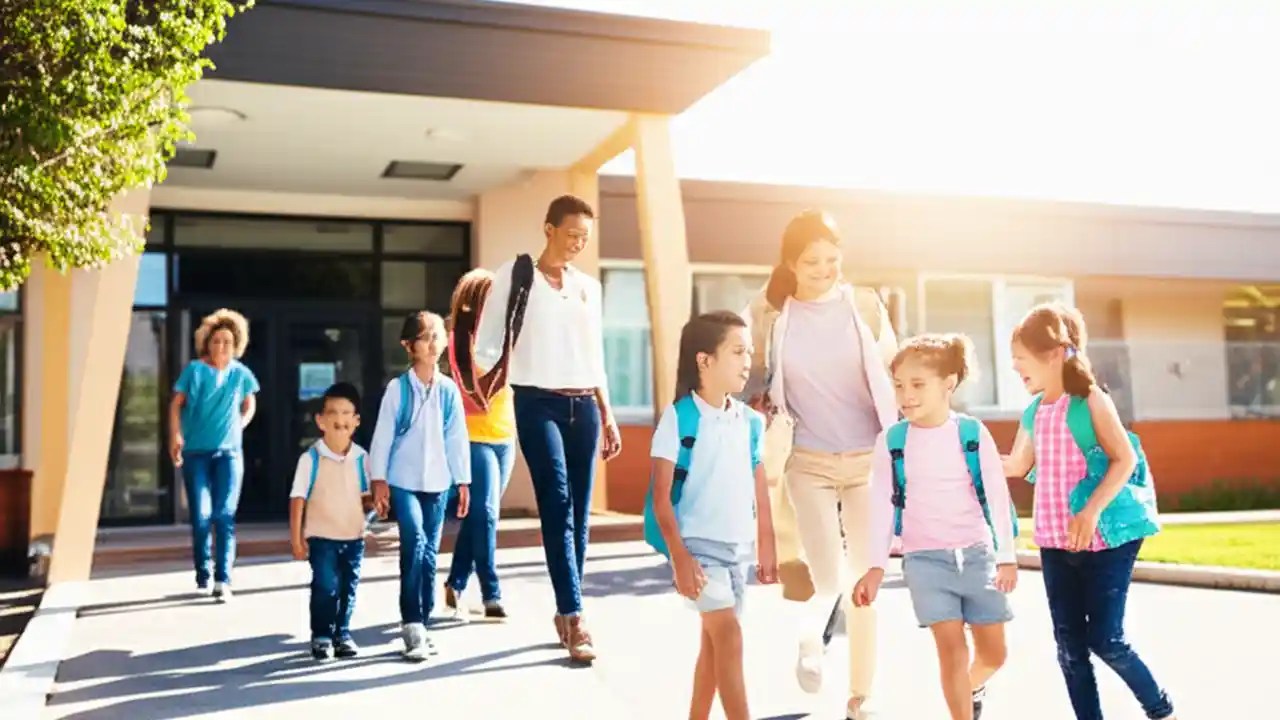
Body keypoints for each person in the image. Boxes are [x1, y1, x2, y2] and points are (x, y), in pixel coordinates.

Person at [741, 209, 898, 718]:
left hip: (866, 461)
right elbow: (747, 380)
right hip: (806, 460)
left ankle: (861, 696)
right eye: (812, 261)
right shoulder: (766, 313)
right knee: (826, 577)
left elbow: (897, 378)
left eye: (832, 259)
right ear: (791, 261)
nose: (825, 269)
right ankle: (811, 643)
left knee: (864, 583)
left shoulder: (866, 307)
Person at [1004, 304, 1174, 720]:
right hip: (1054, 540)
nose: (1015, 370)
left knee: (1105, 637)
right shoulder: (1033, 411)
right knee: (1069, 648)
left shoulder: (1090, 401)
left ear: (1051, 354)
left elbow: (1123, 460)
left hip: (1107, 538)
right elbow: (1016, 465)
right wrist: (961, 449)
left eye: (1021, 361)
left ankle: (1159, 707)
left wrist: (1091, 510)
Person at [472, 194, 622, 663]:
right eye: (572, 233)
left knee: (579, 513)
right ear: (549, 228)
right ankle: (574, 614)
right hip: (537, 403)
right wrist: (485, 385)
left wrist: (609, 412)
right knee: (556, 503)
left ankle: (566, 608)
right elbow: (485, 344)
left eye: (585, 237)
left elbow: (594, 356)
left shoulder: (587, 288)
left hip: (586, 406)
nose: (578, 243)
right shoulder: (514, 276)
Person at [853, 335, 1017, 720]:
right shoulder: (891, 441)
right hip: (925, 561)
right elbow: (880, 504)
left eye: (917, 385)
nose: (905, 395)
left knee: (995, 654)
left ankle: (972, 686)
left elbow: (996, 495)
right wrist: (876, 566)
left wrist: (1006, 558)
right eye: (898, 386)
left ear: (948, 384)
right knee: (952, 650)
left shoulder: (972, 434)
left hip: (977, 556)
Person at [650, 311, 778, 720]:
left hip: (738, 549)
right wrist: (679, 556)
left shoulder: (750, 422)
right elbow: (659, 498)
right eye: (738, 351)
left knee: (713, 645)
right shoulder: (680, 417)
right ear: (704, 361)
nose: (748, 361)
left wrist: (767, 543)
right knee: (729, 636)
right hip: (699, 548)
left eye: (750, 352)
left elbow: (759, 485)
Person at [368, 312, 471, 663]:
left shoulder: (448, 391)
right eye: (425, 337)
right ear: (408, 346)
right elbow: (382, 436)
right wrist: (378, 480)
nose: (433, 343)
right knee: (414, 543)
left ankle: (424, 623)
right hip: (403, 480)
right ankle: (411, 623)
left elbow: (457, 438)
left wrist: (463, 481)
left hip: (439, 482)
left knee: (429, 553)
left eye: (438, 335)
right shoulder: (397, 389)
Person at [168, 308, 260, 602]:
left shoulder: (241, 373)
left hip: (230, 454)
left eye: (227, 342)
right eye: (216, 341)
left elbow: (250, 403)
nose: (221, 347)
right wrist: (176, 435)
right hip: (196, 454)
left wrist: (240, 424)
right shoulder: (194, 371)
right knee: (201, 516)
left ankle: (223, 579)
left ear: (236, 346)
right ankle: (203, 572)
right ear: (207, 342)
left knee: (225, 515)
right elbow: (175, 405)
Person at [443, 269, 517, 621]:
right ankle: (491, 593)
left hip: (505, 437)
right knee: (486, 514)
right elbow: (477, 397)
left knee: (480, 519)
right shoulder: (461, 340)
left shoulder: (506, 336)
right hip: (474, 438)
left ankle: (455, 583)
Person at [288, 382, 372, 661]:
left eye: (347, 413)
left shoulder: (362, 459)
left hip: (353, 537)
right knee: (325, 585)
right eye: (333, 413)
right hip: (321, 536)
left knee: (348, 588)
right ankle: (322, 635)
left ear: (356, 421)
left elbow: (368, 498)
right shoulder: (310, 459)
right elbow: (297, 499)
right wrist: (296, 538)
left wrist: (379, 512)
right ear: (320, 421)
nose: (340, 418)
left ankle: (342, 633)